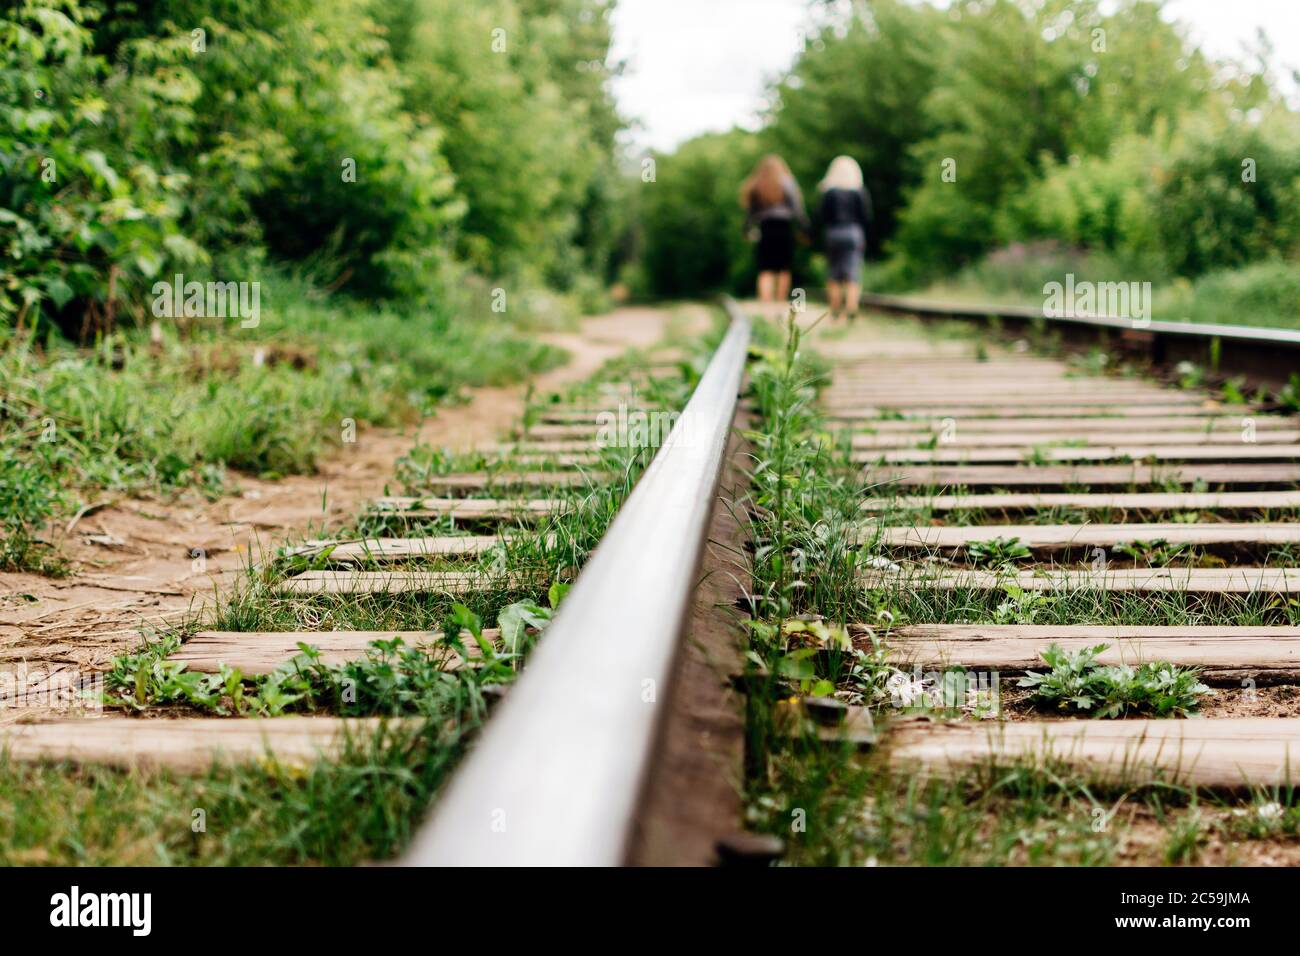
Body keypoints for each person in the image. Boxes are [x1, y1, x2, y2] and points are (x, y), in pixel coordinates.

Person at [740, 155, 808, 308]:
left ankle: (766, 305)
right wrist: (804, 227)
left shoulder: (756, 185)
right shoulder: (787, 183)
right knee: (783, 268)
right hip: (784, 228)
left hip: (766, 229)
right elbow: (797, 208)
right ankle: (779, 303)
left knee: (765, 269)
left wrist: (745, 229)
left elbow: (750, 213)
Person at [817, 155, 871, 320]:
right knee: (852, 272)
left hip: (833, 232)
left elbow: (821, 216)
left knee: (834, 273)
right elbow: (866, 217)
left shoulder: (829, 192)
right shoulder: (859, 192)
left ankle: (835, 310)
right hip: (853, 232)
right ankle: (851, 308)